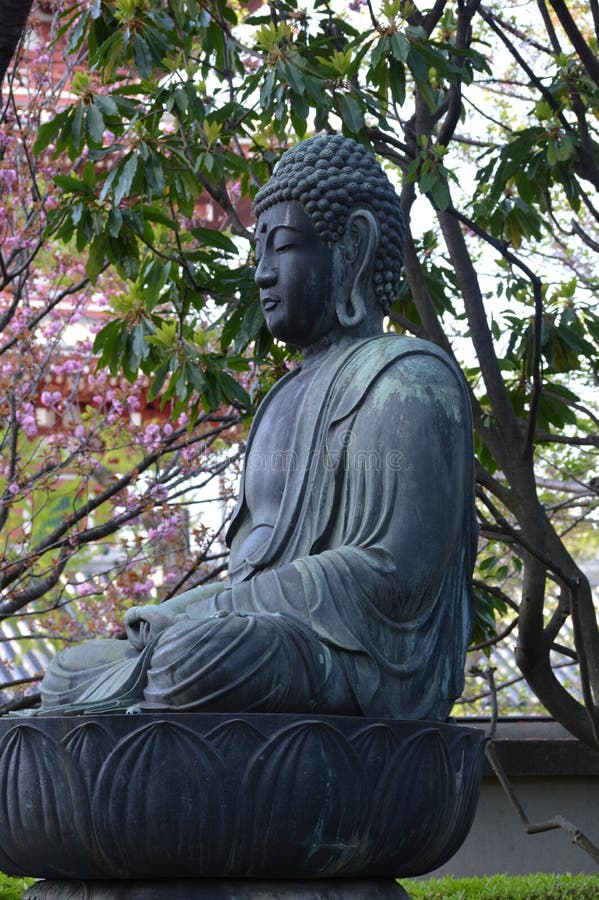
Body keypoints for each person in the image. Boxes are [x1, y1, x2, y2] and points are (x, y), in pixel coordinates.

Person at [39, 134, 477, 721]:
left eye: (285, 248)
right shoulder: (280, 401)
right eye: (258, 256)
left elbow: (395, 574)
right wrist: (192, 608)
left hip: (359, 663)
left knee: (193, 658)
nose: (264, 276)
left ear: (354, 244)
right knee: (68, 674)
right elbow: (250, 569)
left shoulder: (415, 382)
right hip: (258, 641)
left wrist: (204, 614)